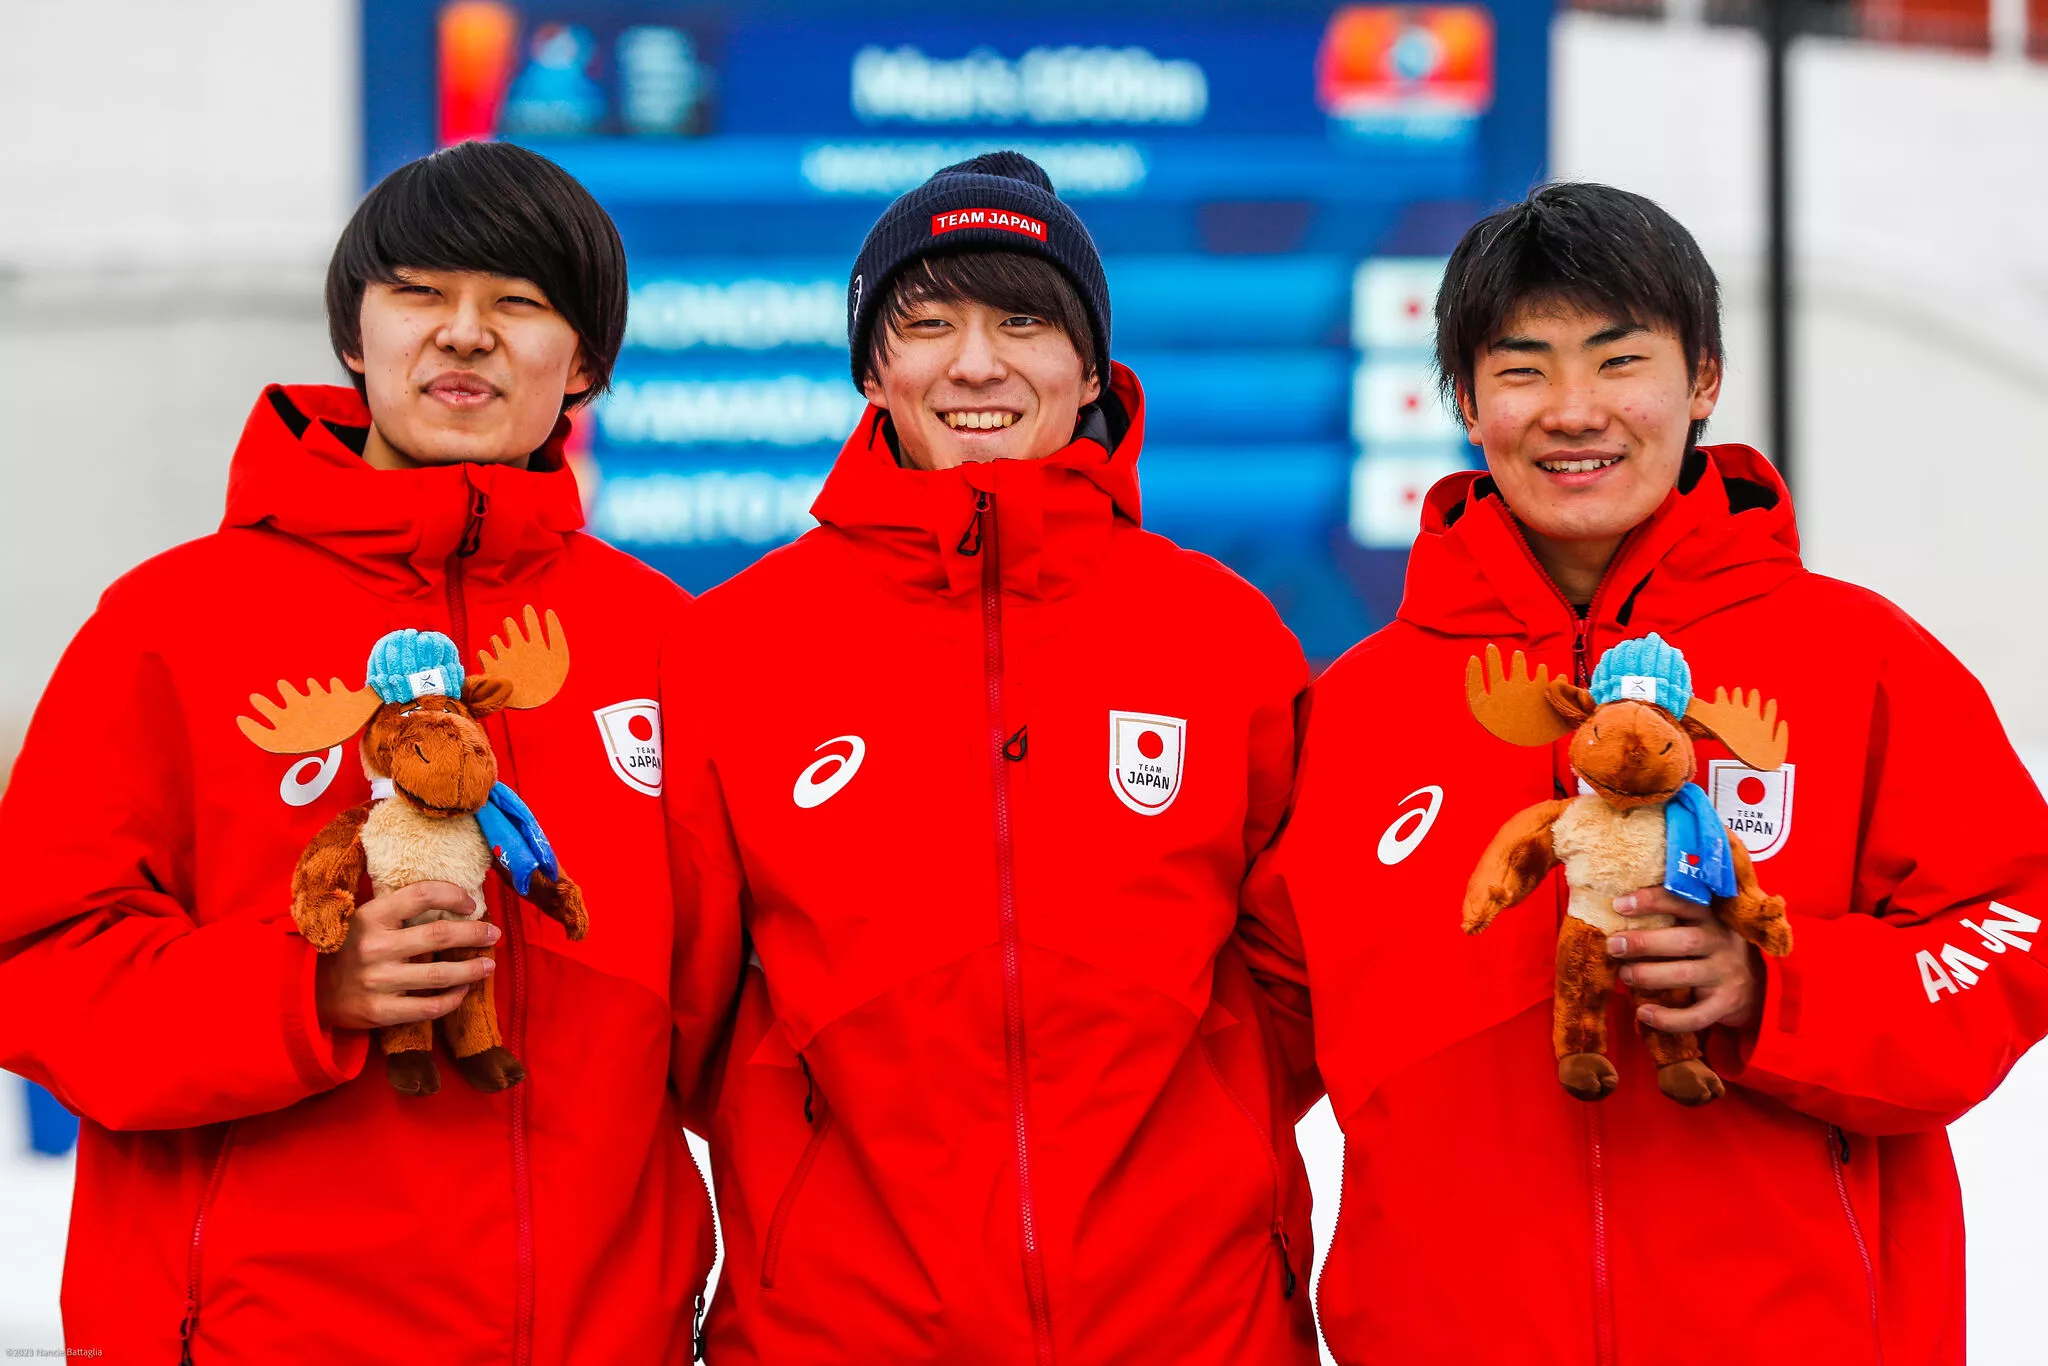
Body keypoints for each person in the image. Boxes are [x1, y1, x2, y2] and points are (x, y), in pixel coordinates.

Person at [1241, 182, 2048, 1364]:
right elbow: (1243, 1033)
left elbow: (2009, 922)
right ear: (1463, 399)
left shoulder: (1856, 658)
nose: (1573, 411)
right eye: (1521, 369)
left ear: (1702, 380)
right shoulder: (1360, 704)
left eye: (1619, 361)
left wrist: (1780, 984)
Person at [0, 142, 737, 1364]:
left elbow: (742, 1025)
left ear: (586, 363)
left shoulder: (663, 638)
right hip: (255, 1333)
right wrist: (305, 989)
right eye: (419, 294)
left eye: (518, 303)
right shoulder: (172, 622)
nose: (462, 334)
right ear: (355, 335)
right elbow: (37, 962)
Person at [665, 151, 1319, 1363]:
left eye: (1022, 321)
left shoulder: (1219, 632)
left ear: (1087, 367)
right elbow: (689, 1007)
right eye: (929, 325)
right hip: (839, 1322)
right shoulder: (737, 645)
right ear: (874, 367)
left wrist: (1192, 1136)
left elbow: (1298, 973)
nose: (976, 364)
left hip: (1185, 1318)